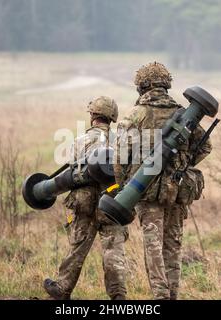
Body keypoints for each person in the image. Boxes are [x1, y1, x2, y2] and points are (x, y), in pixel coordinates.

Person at [113, 62, 212, 300]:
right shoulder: (183, 112)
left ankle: (160, 295)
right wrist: (181, 164)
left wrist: (122, 186)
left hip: (144, 192)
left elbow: (120, 157)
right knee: (173, 245)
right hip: (177, 190)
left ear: (142, 85)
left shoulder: (135, 115)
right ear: (167, 84)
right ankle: (173, 294)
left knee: (153, 245)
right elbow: (205, 147)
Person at [44, 96, 128, 300]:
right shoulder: (121, 141)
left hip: (84, 200)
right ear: (112, 117)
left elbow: (72, 173)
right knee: (113, 247)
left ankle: (62, 288)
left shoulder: (80, 141)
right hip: (113, 199)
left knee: (78, 245)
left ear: (93, 116)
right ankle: (117, 295)